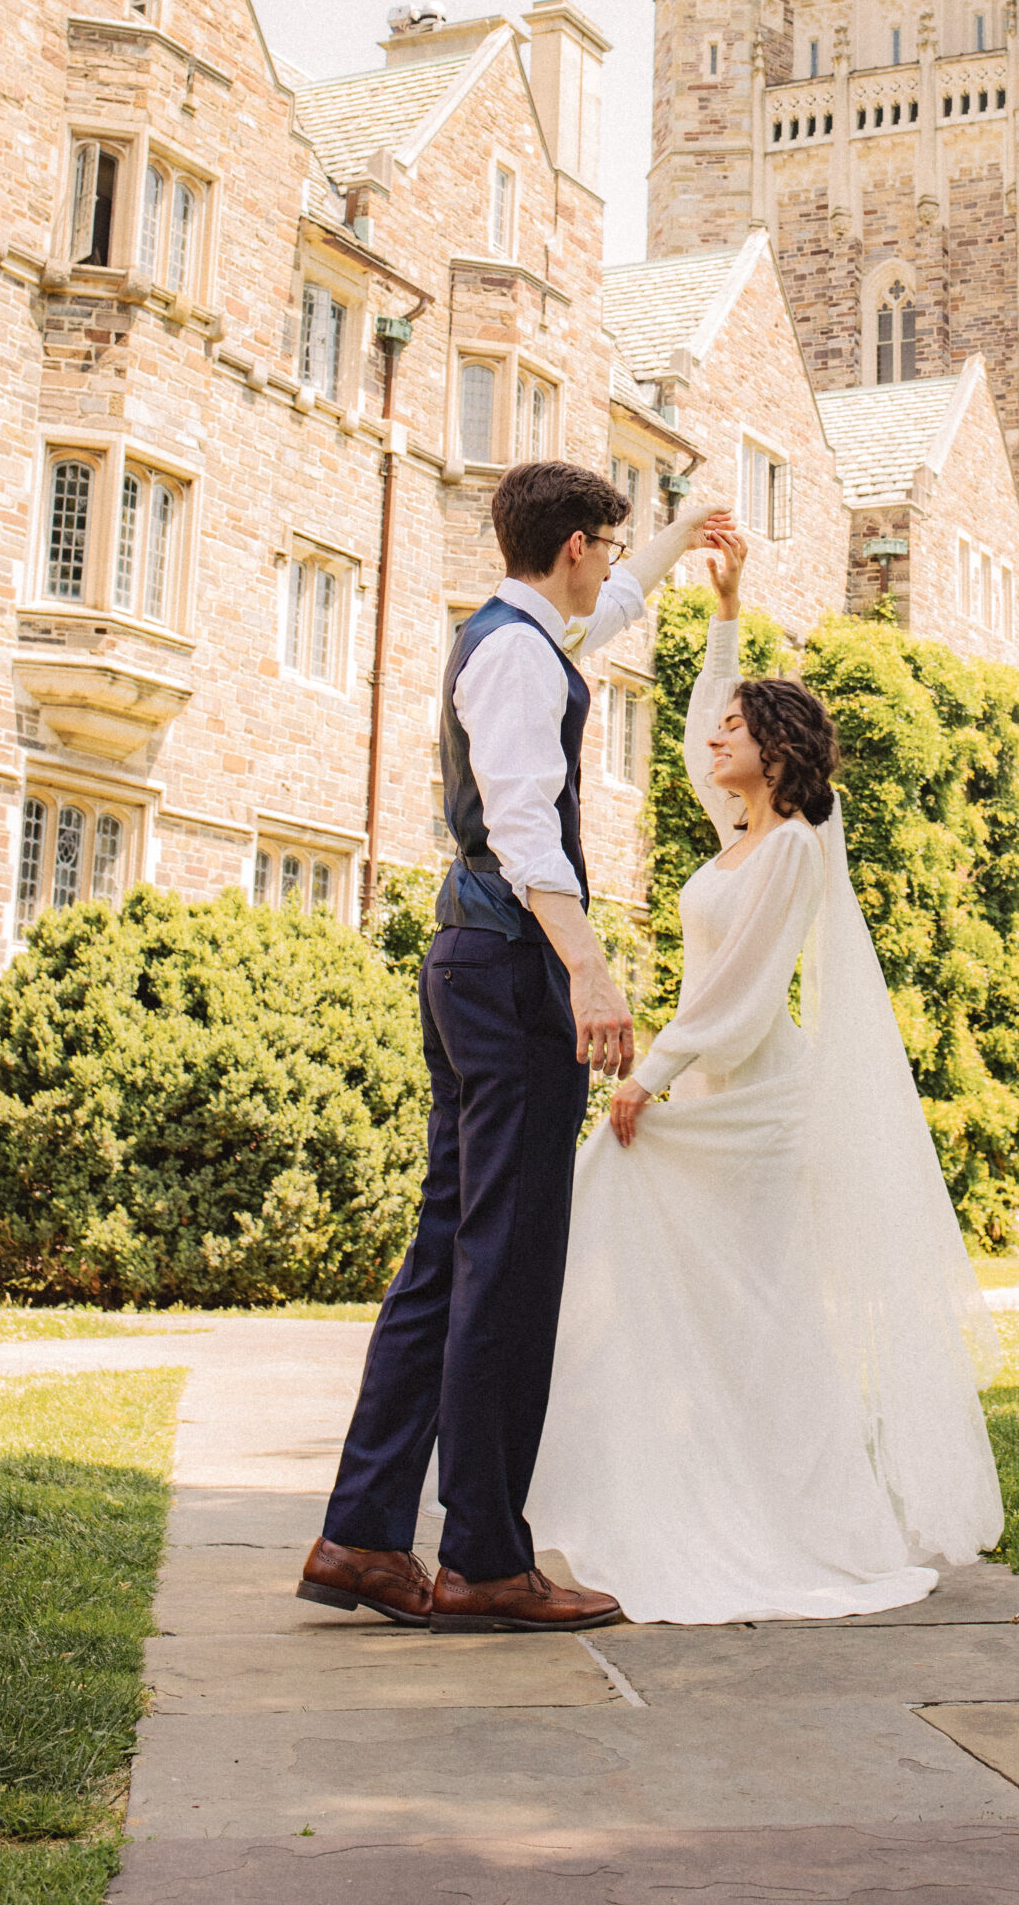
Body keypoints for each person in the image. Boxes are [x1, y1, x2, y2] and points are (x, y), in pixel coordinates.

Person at [526, 529, 1005, 1624]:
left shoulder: (791, 851)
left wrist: (649, 1074)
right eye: (726, 724)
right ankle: (651, 1489)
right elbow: (697, 730)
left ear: (777, 752)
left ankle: (787, 1515)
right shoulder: (734, 837)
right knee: (689, 1300)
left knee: (759, 1316)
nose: (718, 740)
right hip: (710, 1090)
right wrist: (728, 608)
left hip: (750, 1101)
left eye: (741, 727)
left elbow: (740, 997)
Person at [301, 460, 731, 1634]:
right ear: (579, 544)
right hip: (509, 967)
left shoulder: (527, 637)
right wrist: (587, 965)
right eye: (614, 547)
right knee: (509, 1257)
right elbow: (526, 822)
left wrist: (684, 539)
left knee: (450, 1247)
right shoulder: (513, 655)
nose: (611, 569)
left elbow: (613, 612)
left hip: (476, 964)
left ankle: (363, 1537)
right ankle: (486, 1554)